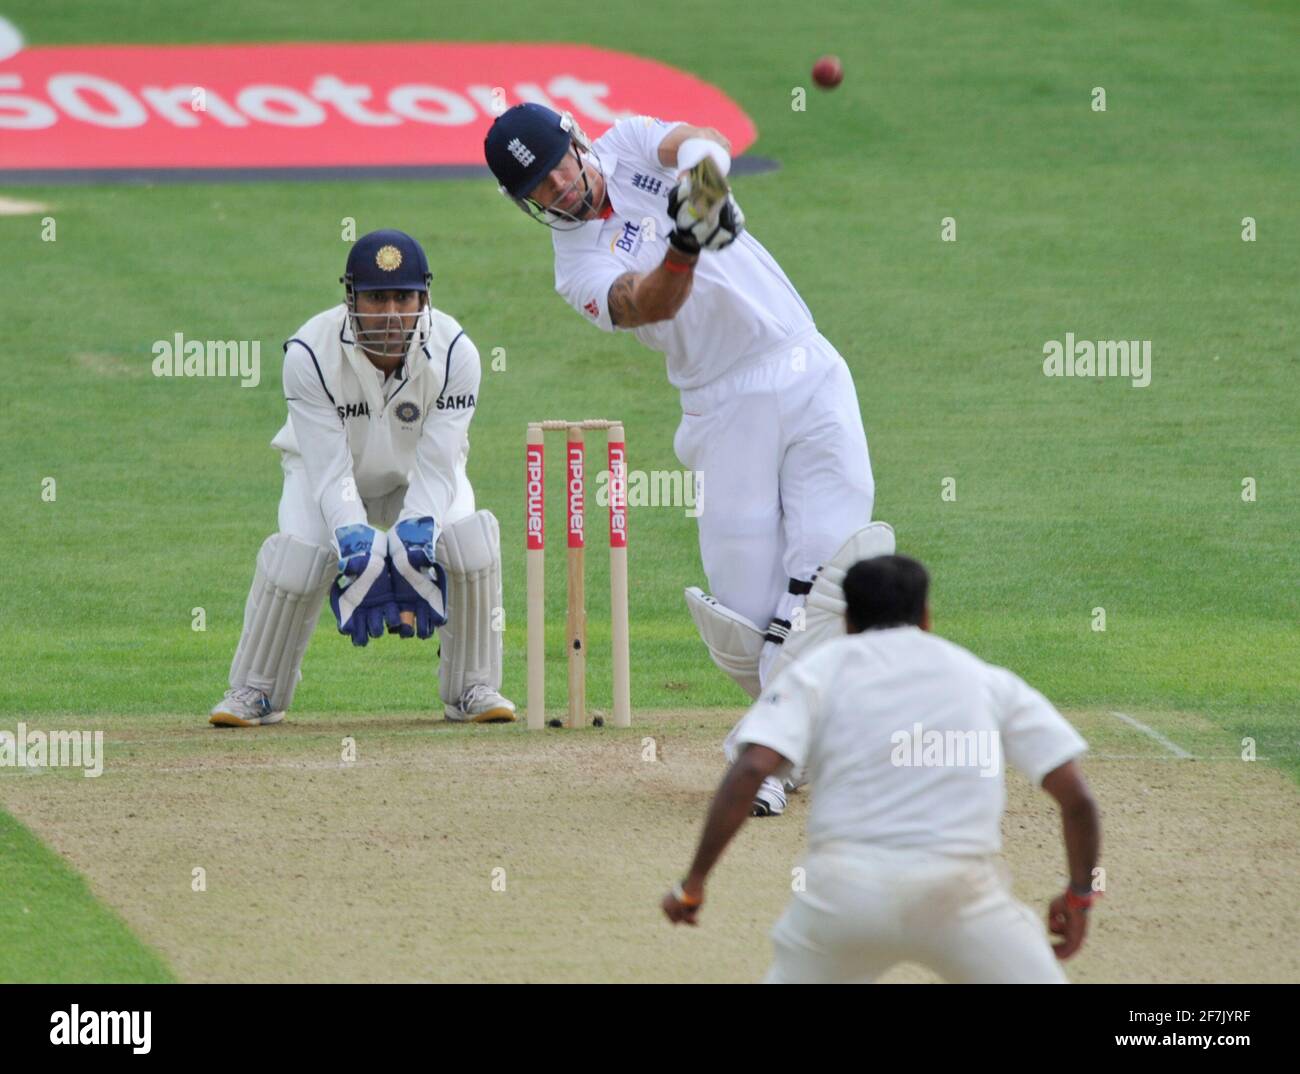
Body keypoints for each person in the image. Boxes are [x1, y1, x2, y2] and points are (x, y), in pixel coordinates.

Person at [484, 104, 890, 815]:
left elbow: (706, 141)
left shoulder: (628, 141)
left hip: (806, 362)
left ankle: (765, 760)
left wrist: (702, 194)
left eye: (558, 168)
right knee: (746, 612)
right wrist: (685, 243)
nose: (559, 189)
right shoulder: (574, 266)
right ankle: (809, 740)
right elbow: (648, 304)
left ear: (576, 141)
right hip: (722, 406)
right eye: (538, 190)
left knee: (827, 570)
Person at [661, 555, 1102, 984]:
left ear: (847, 620)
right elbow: (1078, 800)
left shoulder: (815, 672)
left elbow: (751, 770)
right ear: (926, 616)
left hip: (844, 896)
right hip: (957, 894)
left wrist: (693, 883)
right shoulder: (986, 679)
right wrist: (1079, 896)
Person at [208, 229, 515, 727]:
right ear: (350, 299)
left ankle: (472, 689)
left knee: (469, 546)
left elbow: (440, 462)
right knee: (297, 562)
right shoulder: (309, 352)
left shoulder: (457, 352)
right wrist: (356, 542)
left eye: (403, 298)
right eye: (376, 298)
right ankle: (254, 691)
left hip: (419, 476)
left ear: (424, 298)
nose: (391, 313)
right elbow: (329, 470)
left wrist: (415, 536)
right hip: (325, 474)